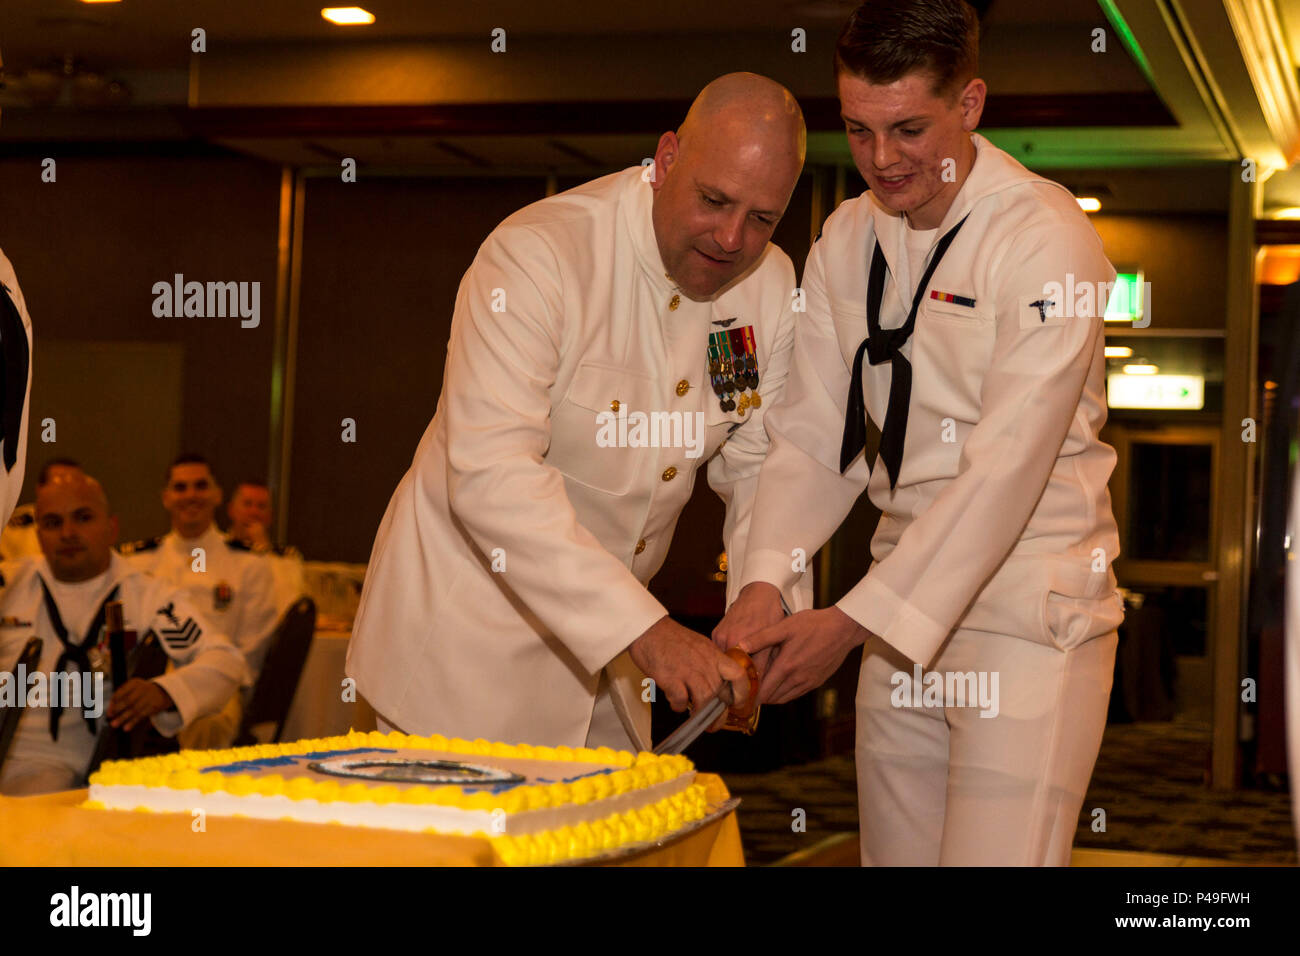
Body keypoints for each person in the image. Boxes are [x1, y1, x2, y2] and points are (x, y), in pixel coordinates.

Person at [715, 0, 1124, 865]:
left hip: (1026, 613)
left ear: (970, 104)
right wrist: (765, 579)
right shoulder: (845, 236)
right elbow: (817, 433)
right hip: (896, 602)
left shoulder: (1047, 238)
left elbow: (1005, 470)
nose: (882, 160)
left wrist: (852, 621)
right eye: (859, 131)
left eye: (909, 129)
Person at [348, 72, 808, 750]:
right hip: (461, 661)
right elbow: (490, 474)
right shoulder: (538, 255)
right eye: (713, 200)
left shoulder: (769, 285)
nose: (731, 239)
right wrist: (647, 631)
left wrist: (765, 590)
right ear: (668, 157)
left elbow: (762, 459)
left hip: (615, 675)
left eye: (762, 219)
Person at [0, 473, 246, 795]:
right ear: (39, 535)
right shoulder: (12, 582)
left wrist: (164, 691)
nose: (68, 533)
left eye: (83, 518)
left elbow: (225, 660)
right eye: (52, 523)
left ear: (112, 528)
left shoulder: (148, 597)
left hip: (55, 767)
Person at [121, 454, 278, 748]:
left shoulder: (248, 563)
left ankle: (195, 794)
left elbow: (252, 652)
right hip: (147, 681)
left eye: (200, 486)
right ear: (166, 498)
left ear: (218, 495)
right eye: (180, 488)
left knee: (208, 721)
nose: (191, 495)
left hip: (217, 681)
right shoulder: (137, 561)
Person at [226, 478, 305, 617]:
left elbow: (289, 600)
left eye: (261, 506)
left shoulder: (287, 556)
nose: (254, 512)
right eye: (247, 504)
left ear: (270, 516)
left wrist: (263, 549)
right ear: (232, 510)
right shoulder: (215, 549)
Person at [1, 459, 85, 562]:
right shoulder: (12, 528)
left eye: (75, 486)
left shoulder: (91, 525)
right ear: (40, 489)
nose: (67, 491)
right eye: (59, 485)